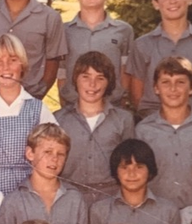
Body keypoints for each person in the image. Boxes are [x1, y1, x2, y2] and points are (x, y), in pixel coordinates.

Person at [134, 57, 192, 208]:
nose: (173, 89)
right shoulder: (143, 130)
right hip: (156, 211)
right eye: (165, 82)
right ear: (156, 88)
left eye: (180, 82)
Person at [0, 34, 58, 195]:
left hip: (29, 191)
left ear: (22, 64)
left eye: (12, 60)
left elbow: (53, 149)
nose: (5, 68)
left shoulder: (37, 109)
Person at [55, 50, 135, 207]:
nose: (92, 84)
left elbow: (129, 163)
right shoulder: (59, 119)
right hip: (70, 196)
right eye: (86, 77)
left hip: (111, 197)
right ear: (75, 79)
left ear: (109, 82)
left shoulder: (123, 119)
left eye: (100, 78)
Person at [60, 0, 134, 108]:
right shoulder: (64, 31)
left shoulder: (124, 31)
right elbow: (61, 73)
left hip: (112, 108)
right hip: (73, 108)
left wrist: (122, 102)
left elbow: (125, 72)